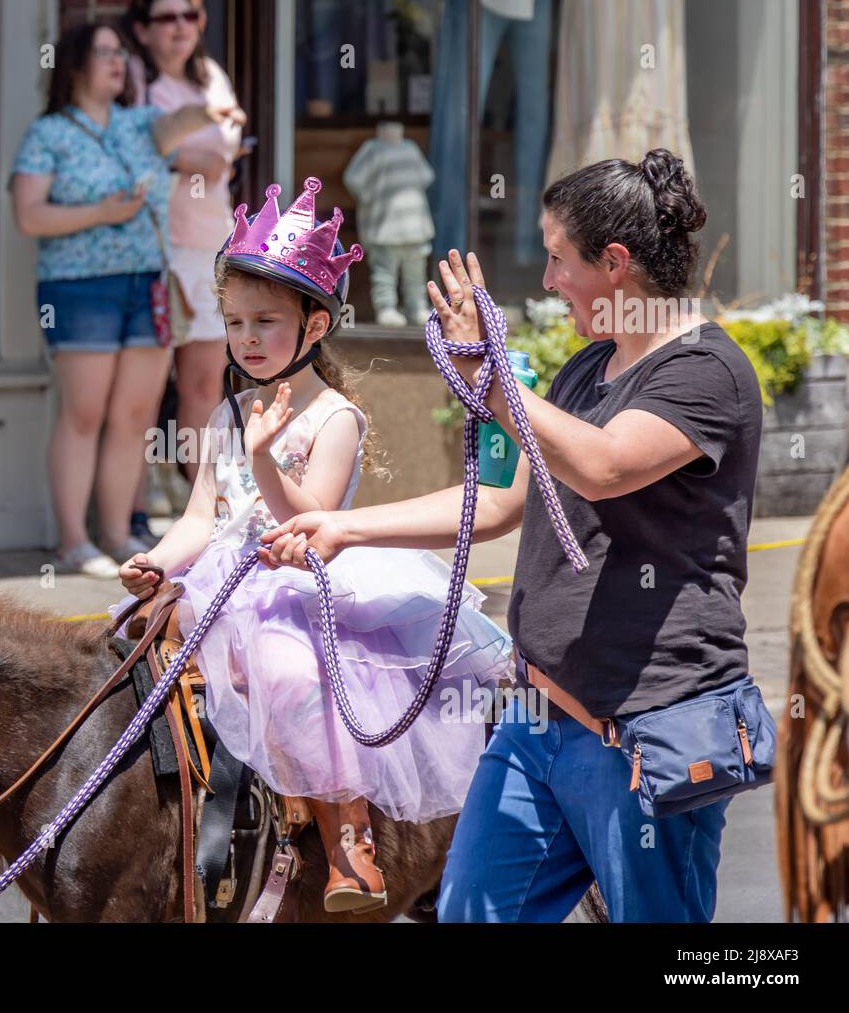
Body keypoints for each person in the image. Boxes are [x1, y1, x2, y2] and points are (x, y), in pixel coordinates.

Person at [259, 149, 763, 923]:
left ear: (617, 263)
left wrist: (493, 377)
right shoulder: (585, 372)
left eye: (560, 260)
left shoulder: (707, 372)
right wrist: (343, 528)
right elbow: (497, 504)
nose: (550, 281)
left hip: (644, 736)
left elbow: (603, 465)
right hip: (535, 728)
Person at [113, 177, 514, 914]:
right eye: (235, 323)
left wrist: (265, 459)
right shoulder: (226, 412)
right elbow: (204, 517)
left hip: (293, 581)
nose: (249, 339)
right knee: (120, 655)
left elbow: (311, 520)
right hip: (216, 580)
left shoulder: (336, 418)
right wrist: (157, 561)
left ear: (317, 323)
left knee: (287, 671)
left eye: (266, 320)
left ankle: (347, 841)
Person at [10, 22, 243, 578]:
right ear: (75, 65)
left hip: (150, 287)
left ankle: (115, 534)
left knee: (135, 416)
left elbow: (178, 122)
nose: (118, 62)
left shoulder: (140, 125)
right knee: (84, 413)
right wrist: (101, 213)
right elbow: (28, 215)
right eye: (105, 53)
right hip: (80, 287)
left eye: (122, 53)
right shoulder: (48, 134)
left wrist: (213, 110)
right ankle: (73, 541)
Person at [126, 0, 244, 485]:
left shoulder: (211, 74)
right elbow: (131, 145)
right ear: (142, 31)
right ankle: (140, 493)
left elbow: (228, 149)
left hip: (210, 246)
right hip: (158, 247)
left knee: (204, 381)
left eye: (189, 17)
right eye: (166, 18)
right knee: (147, 388)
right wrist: (184, 158)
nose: (180, 27)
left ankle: (201, 497)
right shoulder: (136, 81)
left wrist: (207, 159)